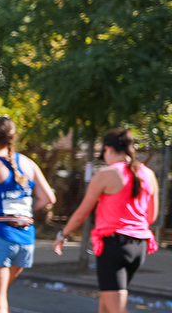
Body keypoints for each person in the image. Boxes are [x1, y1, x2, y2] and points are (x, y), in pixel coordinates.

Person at [54, 129, 160, 313]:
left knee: (116, 309)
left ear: (108, 149)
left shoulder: (107, 174)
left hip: (114, 246)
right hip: (139, 246)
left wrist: (63, 234)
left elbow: (82, 212)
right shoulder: (148, 174)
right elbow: (151, 217)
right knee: (106, 304)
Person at [0, 116, 55, 313]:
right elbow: (48, 197)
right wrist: (22, 212)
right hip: (26, 239)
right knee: (1, 299)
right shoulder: (28, 163)